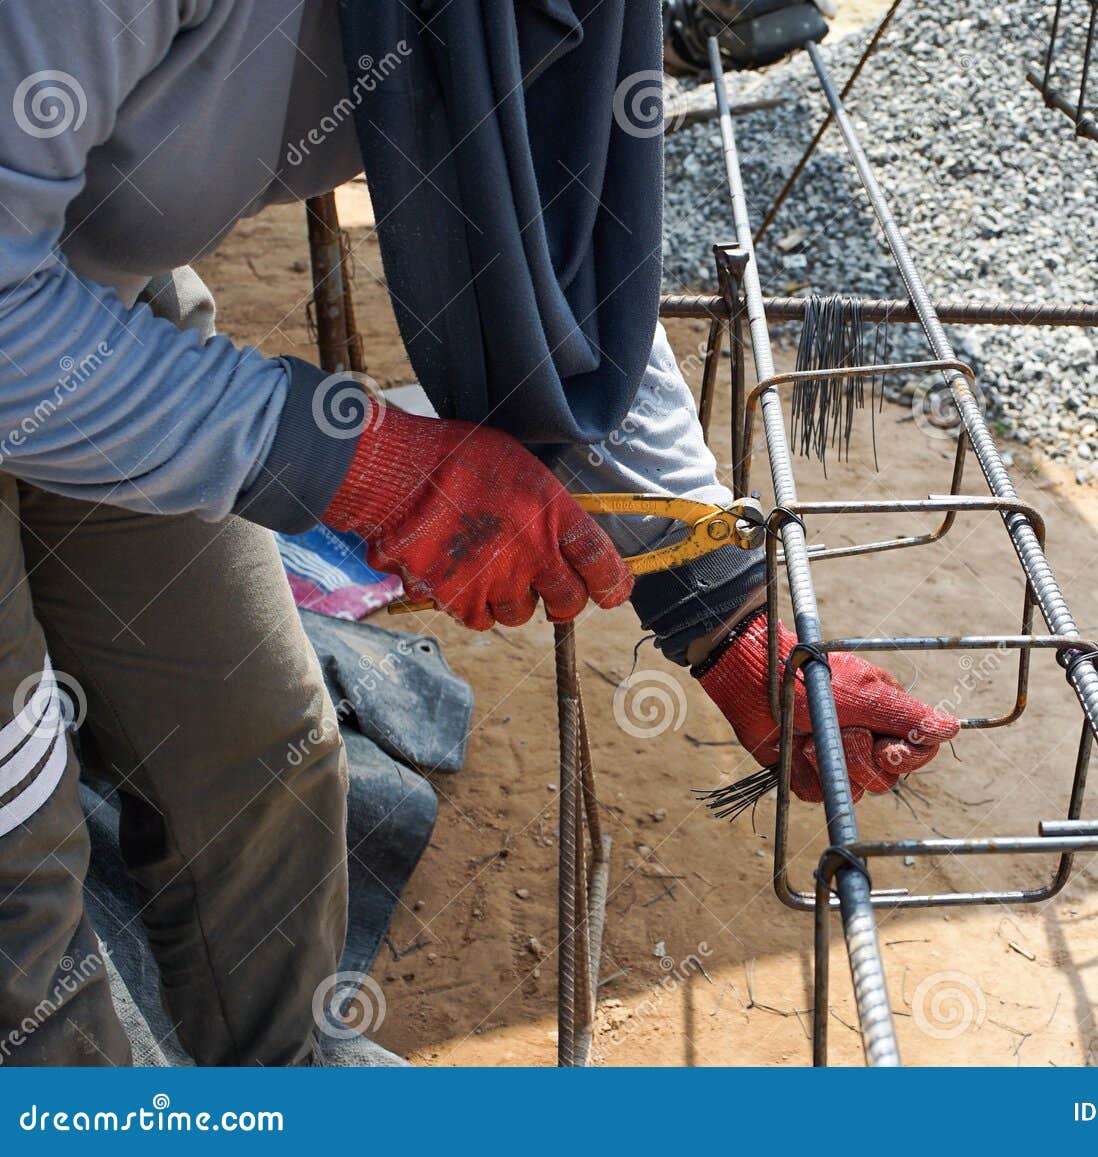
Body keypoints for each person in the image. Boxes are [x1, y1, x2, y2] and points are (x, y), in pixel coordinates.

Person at [0, 0, 957, 1066]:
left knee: (252, 738)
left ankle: (286, 1082)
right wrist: (374, 468)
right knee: (18, 848)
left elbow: (545, 266)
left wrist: (726, 620)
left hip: (81, 294)